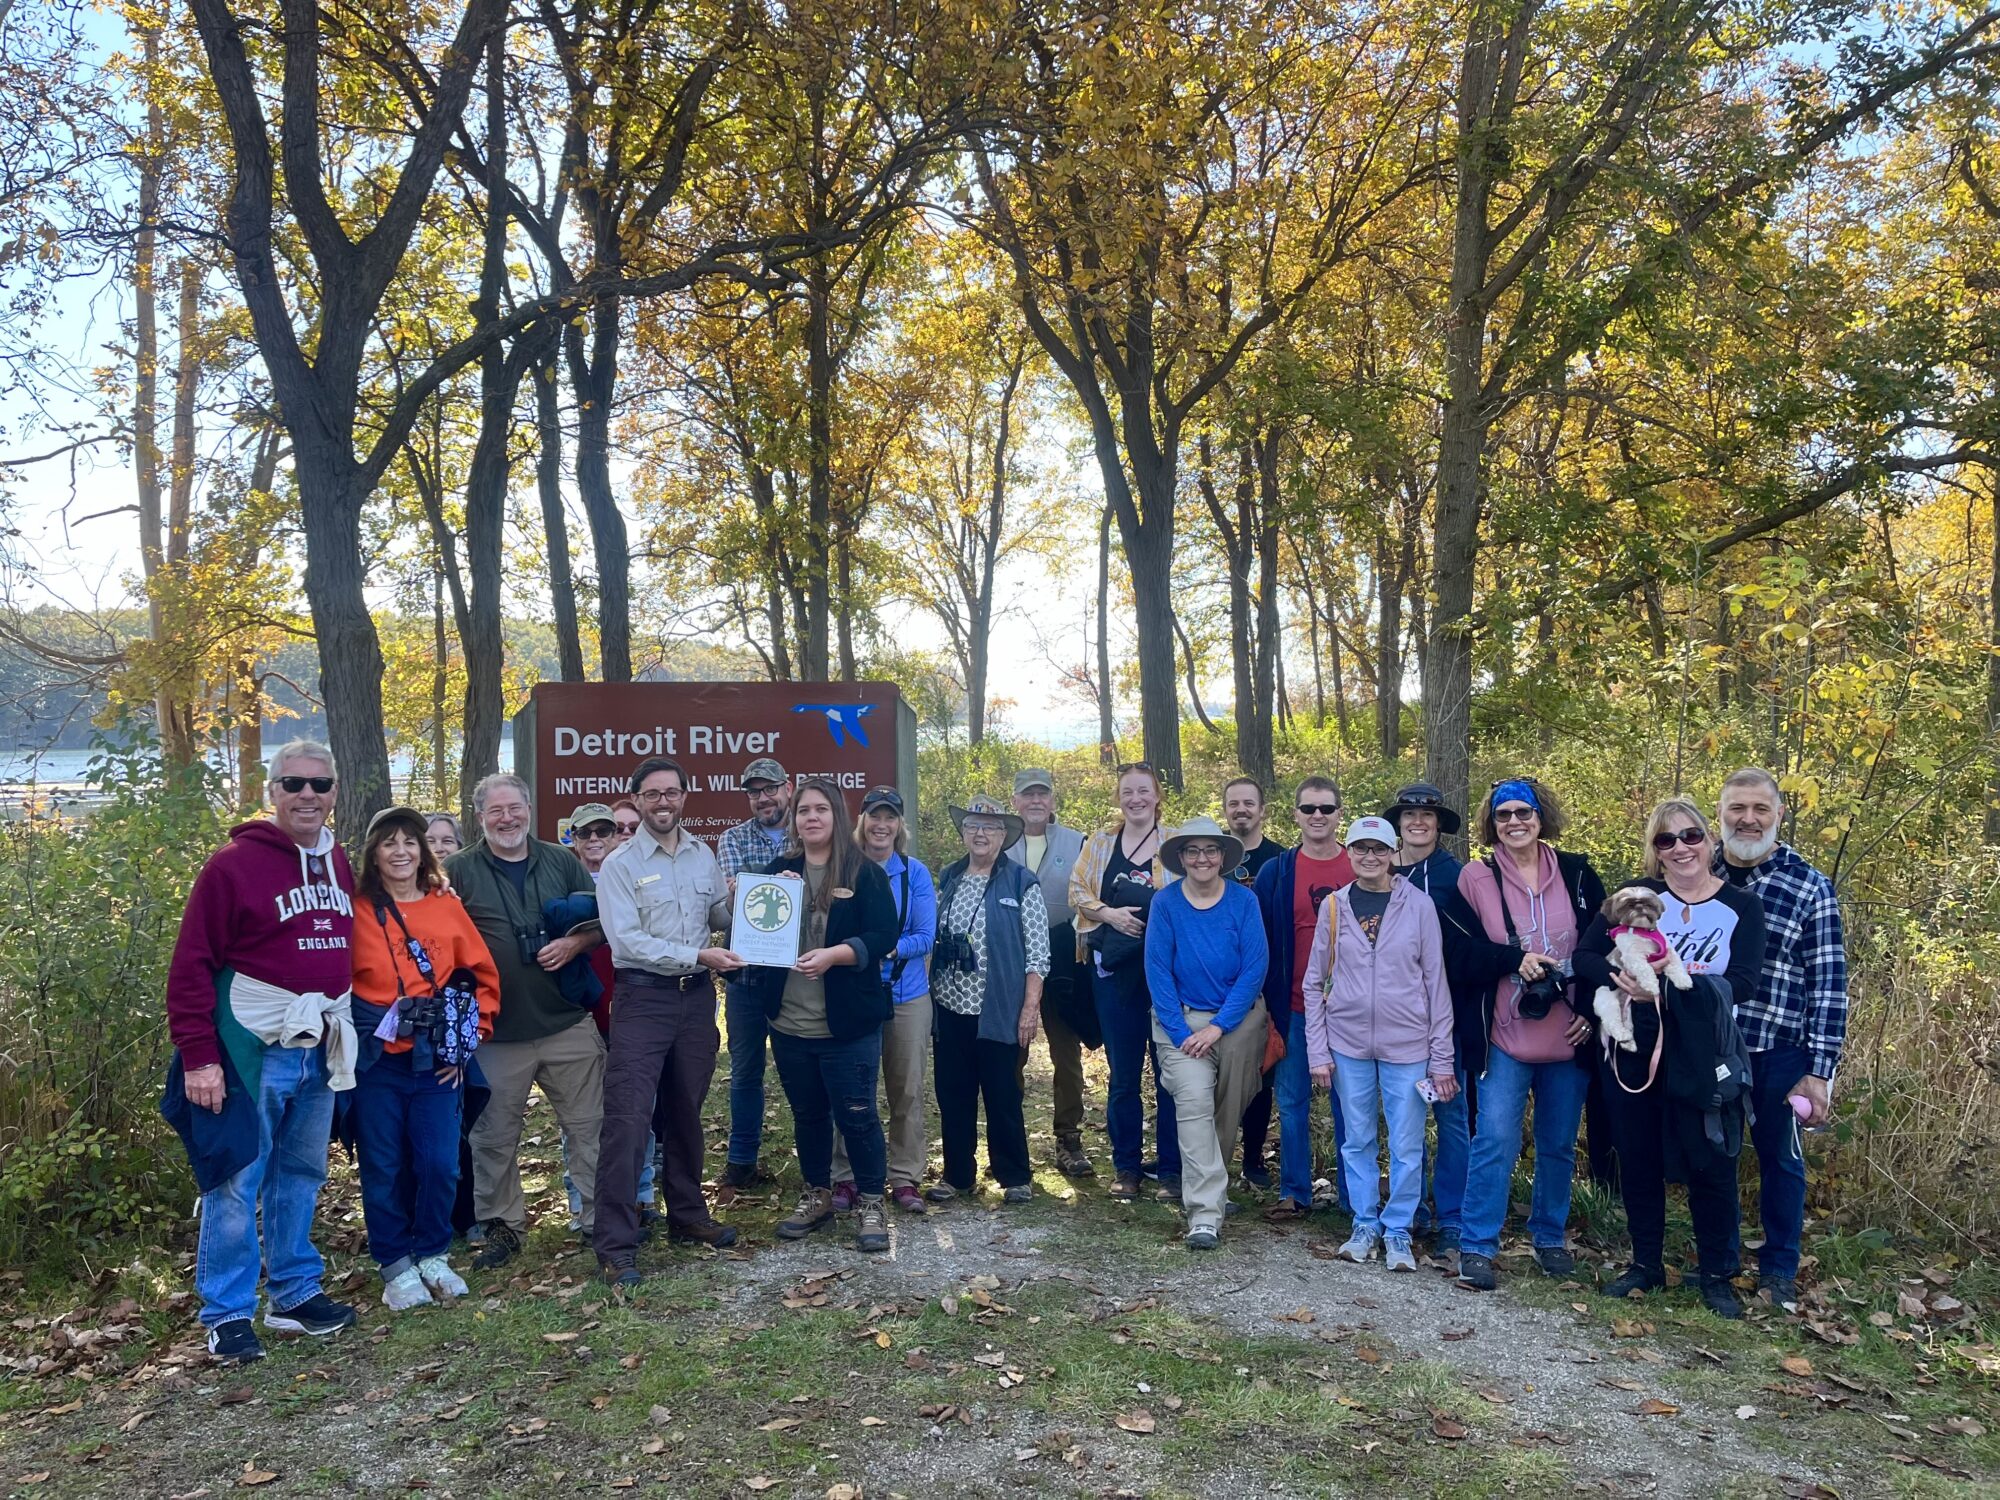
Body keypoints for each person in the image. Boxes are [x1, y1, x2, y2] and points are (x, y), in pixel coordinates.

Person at [161, 740, 360, 1364]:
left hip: (317, 1045)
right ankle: (227, 1312)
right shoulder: (231, 867)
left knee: (301, 1173)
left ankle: (294, 1291)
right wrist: (199, 1055)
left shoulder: (338, 862)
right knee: (236, 1178)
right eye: (294, 783)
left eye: (320, 784)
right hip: (252, 1049)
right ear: (272, 790)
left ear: (334, 793)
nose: (308, 795)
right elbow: (191, 964)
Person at [1575, 798, 1766, 1319]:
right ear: (1655, 853)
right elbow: (1584, 957)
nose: (1680, 848)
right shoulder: (1636, 899)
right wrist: (1622, 982)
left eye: (1690, 836)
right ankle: (1646, 1265)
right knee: (1636, 1156)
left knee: (1712, 1161)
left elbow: (1746, 980)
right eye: (1666, 840)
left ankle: (1717, 1274)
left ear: (1710, 842)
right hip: (1632, 1048)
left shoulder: (1741, 905)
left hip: (1704, 1052)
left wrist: (1663, 992)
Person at [1447, 778, 1606, 1292]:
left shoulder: (1579, 875)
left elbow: (1606, 949)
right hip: (1505, 1034)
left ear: (1542, 816)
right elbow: (1460, 955)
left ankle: (1549, 1238)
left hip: (1571, 1033)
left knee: (1558, 1144)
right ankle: (1476, 1246)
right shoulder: (1476, 877)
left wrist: (1592, 1012)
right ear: (1490, 823)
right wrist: (1516, 959)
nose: (1514, 822)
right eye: (1502, 815)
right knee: (1494, 1138)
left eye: (1524, 812)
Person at [446, 773, 606, 1270]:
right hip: (496, 1033)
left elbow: (604, 922)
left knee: (589, 1128)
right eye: (495, 811)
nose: (507, 818)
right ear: (479, 817)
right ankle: (502, 1227)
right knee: (492, 1138)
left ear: (529, 809)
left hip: (566, 1023)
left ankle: (600, 1220)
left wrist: (575, 943)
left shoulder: (562, 860)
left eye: (514, 808)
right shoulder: (457, 871)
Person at [592, 758, 742, 1285]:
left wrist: (760, 895)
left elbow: (719, 917)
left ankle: (687, 1216)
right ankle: (614, 1241)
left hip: (696, 1003)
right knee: (629, 1120)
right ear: (635, 798)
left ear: (684, 797)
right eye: (652, 794)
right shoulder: (620, 865)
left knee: (685, 1111)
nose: (663, 802)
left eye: (672, 793)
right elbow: (627, 941)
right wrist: (699, 956)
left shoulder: (703, 855)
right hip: (643, 1001)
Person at [349, 806, 500, 1311]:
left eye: (409, 842)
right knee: (384, 1163)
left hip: (435, 1058)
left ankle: (433, 1251)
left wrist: (465, 1042)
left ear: (424, 850)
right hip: (376, 1060)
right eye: (388, 842)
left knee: (439, 1161)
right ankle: (395, 1263)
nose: (400, 851)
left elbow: (480, 977)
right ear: (373, 852)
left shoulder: (445, 907)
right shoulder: (356, 910)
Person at [745, 778, 900, 1252]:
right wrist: (770, 896)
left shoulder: (863, 871)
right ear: (794, 819)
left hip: (847, 1024)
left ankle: (872, 1201)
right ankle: (817, 1194)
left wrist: (837, 954)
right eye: (803, 810)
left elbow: (884, 936)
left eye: (821, 809)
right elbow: (754, 932)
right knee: (808, 1115)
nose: (811, 817)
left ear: (837, 815)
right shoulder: (780, 869)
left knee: (857, 1116)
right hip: (789, 1022)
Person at [1715, 767, 1847, 1313]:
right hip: (1714, 1048)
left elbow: (1831, 983)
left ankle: (1779, 1271)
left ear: (1778, 815)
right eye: (1736, 810)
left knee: (1782, 1162)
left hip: (1781, 1048)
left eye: (1759, 810)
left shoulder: (1809, 885)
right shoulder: (1697, 874)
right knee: (1712, 1158)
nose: (1748, 820)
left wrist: (1820, 1070)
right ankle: (1717, 1265)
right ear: (1719, 815)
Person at [1303, 817, 1457, 1272]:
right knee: (1357, 1139)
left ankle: (1398, 1231)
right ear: (1348, 853)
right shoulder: (1334, 906)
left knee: (1408, 1143)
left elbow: (1436, 983)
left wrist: (1441, 1056)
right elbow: (1314, 984)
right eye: (1360, 848)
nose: (1369, 857)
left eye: (1379, 849)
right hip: (1347, 1043)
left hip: (1408, 1046)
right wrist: (1318, 1051)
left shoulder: (1419, 906)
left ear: (1393, 854)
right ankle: (1364, 1223)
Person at [1146, 817, 1269, 1249]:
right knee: (1194, 1103)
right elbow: (1158, 970)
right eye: (1193, 851)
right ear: (1181, 859)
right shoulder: (1165, 904)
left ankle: (1211, 1183)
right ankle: (1204, 1213)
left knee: (1226, 1107)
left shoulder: (1244, 901)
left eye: (1210, 851)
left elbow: (1254, 968)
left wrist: (1219, 1027)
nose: (1202, 859)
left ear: (1223, 858)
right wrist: (1182, 1032)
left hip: (1236, 1022)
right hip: (1180, 1024)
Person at [929, 795, 1049, 1205]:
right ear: (963, 833)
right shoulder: (949, 876)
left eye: (990, 827)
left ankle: (1014, 1174)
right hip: (949, 1005)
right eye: (973, 827)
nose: (980, 834)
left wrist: (1029, 1008)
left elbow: (1038, 954)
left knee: (1002, 1093)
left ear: (1004, 836)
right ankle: (957, 1175)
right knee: (953, 1092)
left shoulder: (1020, 882)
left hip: (999, 1008)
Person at [1070, 763, 1178, 1201]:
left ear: (1157, 796)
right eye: (1127, 792)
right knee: (1124, 1075)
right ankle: (1127, 1167)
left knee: (1172, 1072)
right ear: (1119, 798)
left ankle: (1171, 1168)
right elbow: (1076, 890)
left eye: (1144, 791)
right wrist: (1110, 913)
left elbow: (1194, 894)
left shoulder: (1175, 843)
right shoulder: (1099, 843)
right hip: (1113, 974)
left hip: (1167, 975)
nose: (1136, 799)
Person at [1250, 775, 1354, 1220]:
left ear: (1338, 815)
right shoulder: (1277, 871)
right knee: (1291, 1103)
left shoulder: (1361, 865)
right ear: (1294, 813)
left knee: (1350, 1107)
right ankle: (1295, 1192)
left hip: (1351, 1012)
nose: (1317, 816)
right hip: (1292, 1007)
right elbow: (1260, 940)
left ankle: (1356, 1197)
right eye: (1308, 808)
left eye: (1326, 809)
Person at [831, 786, 937, 1213]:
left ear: (899, 825)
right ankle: (845, 1176)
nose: (881, 824)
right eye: (874, 816)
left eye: (890, 817)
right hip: (853, 994)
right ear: (861, 821)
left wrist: (885, 948)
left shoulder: (915, 874)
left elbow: (925, 936)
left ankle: (905, 1177)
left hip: (906, 994)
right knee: (851, 1089)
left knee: (906, 1090)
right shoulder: (843, 870)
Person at [1382, 782, 1469, 1260]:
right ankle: (1407, 1207)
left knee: (1451, 1116)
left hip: (1445, 1016)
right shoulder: (1380, 869)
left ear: (1438, 825)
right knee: (1402, 1120)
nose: (1418, 822)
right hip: (1391, 1021)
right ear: (1399, 823)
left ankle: (1452, 1215)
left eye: (1427, 816)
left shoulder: (1459, 877)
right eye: (1410, 815)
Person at [560, 802, 655, 1230]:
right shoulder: (563, 883)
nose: (596, 839)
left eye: (606, 830)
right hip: (580, 1015)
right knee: (579, 1115)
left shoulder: (634, 879)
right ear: (573, 839)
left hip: (633, 1009)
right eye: (586, 833)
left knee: (638, 1110)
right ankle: (582, 1202)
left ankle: (642, 1196)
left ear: (619, 836)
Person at [1006, 768, 1094, 1179]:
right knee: (1011, 1053)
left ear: (1053, 800)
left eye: (1043, 794)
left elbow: (1091, 897)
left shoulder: (1078, 842)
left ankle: (1068, 1138)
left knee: (1066, 1053)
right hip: (1012, 964)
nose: (1036, 801)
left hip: (1062, 963)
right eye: (1028, 795)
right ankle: (1011, 1141)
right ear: (1016, 802)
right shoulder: (1003, 842)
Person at [715, 756, 793, 1200]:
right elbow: (734, 892)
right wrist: (777, 880)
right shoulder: (732, 838)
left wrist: (757, 881)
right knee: (746, 1072)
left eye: (769, 788)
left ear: (788, 787)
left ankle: (816, 1166)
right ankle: (741, 1163)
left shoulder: (808, 833)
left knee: (801, 1072)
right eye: (753, 791)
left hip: (798, 979)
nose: (762, 798)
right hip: (745, 977)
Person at [1222, 777, 1287, 1189]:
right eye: (1234, 804)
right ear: (1225, 810)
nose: (1241, 810)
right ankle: (1215, 1158)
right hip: (1216, 979)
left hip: (1266, 979)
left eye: (1249, 803)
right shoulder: (1212, 853)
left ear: (1262, 810)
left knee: (1261, 1073)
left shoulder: (1280, 860)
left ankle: (1253, 1160)